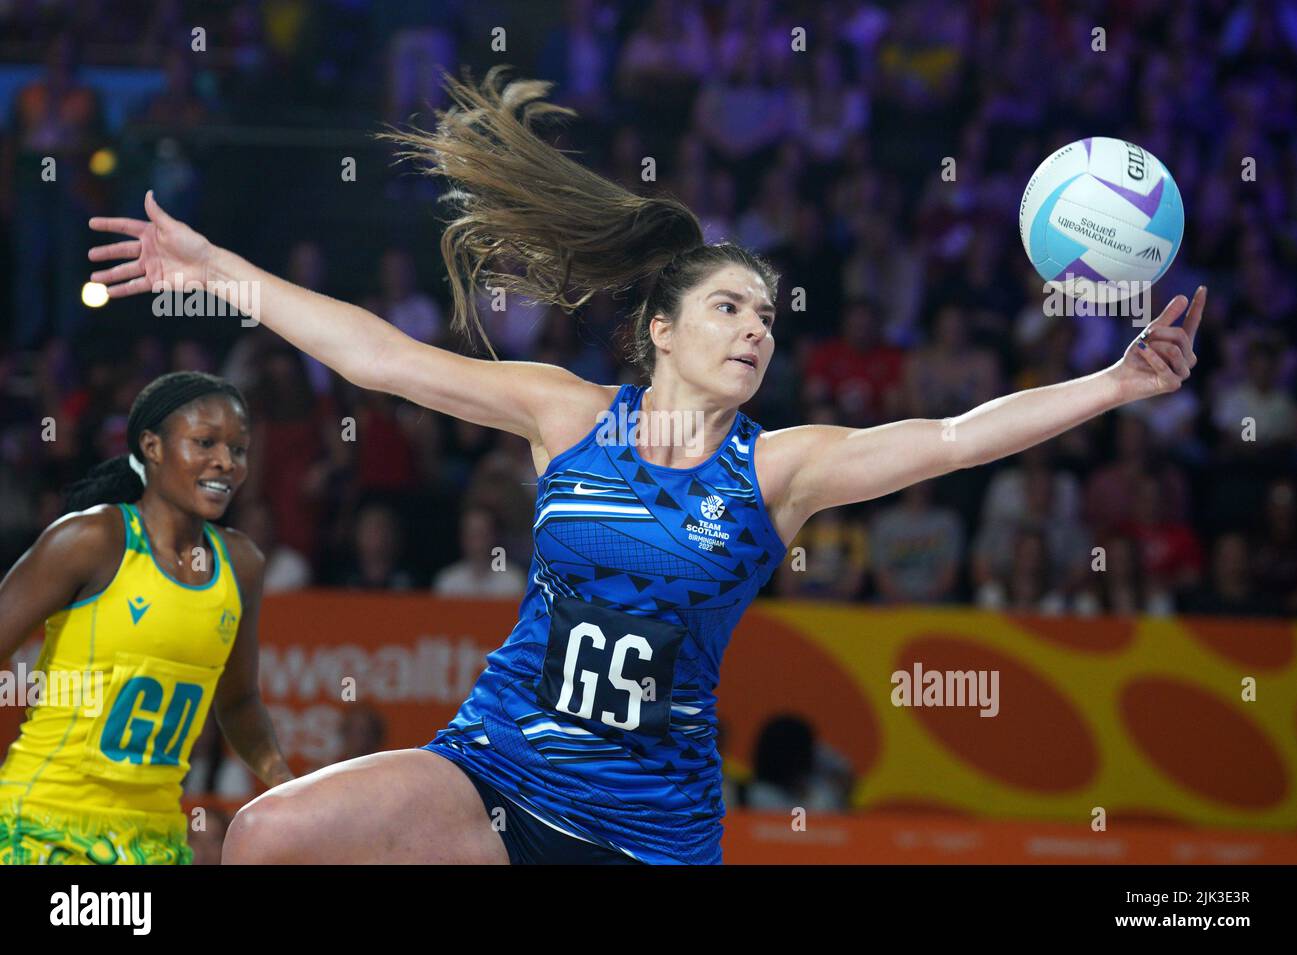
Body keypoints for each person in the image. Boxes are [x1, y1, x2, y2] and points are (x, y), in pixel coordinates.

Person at [86, 67, 1205, 865]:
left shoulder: (783, 471)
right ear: (661, 330)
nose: (756, 329)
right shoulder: (566, 418)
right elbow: (381, 358)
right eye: (729, 307)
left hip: (647, 831)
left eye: (767, 316)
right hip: (496, 768)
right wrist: (218, 268)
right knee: (269, 833)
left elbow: (959, 438)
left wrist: (1113, 384)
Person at [0, 372, 292, 864]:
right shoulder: (92, 539)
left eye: (238, 449)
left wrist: (285, 781)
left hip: (153, 841)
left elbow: (239, 702)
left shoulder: (242, 564)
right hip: (42, 828)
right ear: (152, 446)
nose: (225, 461)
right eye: (205, 443)